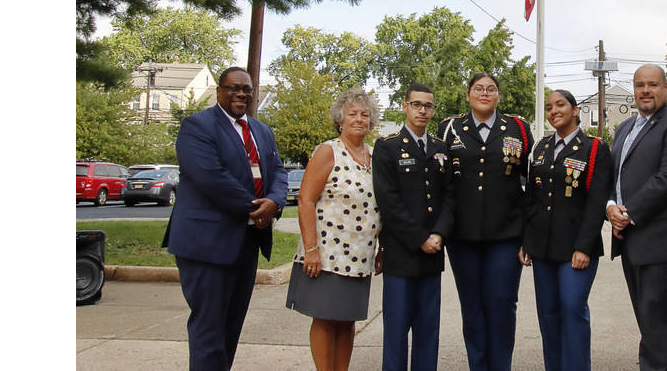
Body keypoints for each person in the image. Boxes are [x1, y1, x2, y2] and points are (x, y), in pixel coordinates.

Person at [163, 66, 288, 371]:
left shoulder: (261, 131)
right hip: (207, 245)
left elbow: (280, 172)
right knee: (209, 329)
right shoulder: (198, 126)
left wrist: (274, 201)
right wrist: (256, 207)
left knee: (230, 329)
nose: (241, 94)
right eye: (234, 88)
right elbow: (210, 178)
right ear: (219, 91)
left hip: (246, 242)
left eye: (246, 89)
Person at [606, 64, 667, 371]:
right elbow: (614, 177)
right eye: (640, 85)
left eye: (653, 84)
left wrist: (628, 215)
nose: (646, 90)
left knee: (661, 325)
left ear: (666, 88)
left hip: (663, 243)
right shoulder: (624, 128)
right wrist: (610, 208)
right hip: (631, 240)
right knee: (648, 321)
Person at [438, 73, 531, 371]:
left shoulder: (518, 128)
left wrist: (529, 233)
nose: (485, 93)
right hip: (462, 236)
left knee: (502, 305)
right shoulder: (449, 128)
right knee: (472, 307)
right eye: (478, 88)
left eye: (491, 89)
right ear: (468, 95)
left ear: (498, 96)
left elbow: (534, 180)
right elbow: (441, 183)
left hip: (506, 234)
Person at [285, 88, 382, 371]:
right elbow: (306, 200)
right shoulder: (328, 151)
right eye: (352, 114)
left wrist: (382, 248)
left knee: (346, 319)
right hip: (327, 255)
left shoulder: (375, 157)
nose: (359, 119)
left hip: (361, 255)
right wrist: (311, 249)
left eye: (365, 115)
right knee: (326, 318)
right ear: (340, 120)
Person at [519, 90, 613, 371]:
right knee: (548, 315)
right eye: (549, 107)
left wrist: (584, 246)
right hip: (542, 246)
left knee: (572, 308)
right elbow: (531, 199)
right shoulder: (541, 147)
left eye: (560, 105)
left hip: (576, 248)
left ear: (575, 110)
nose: (553, 111)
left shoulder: (594, 148)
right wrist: (526, 241)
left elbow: (597, 202)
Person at [373, 83, 456, 371]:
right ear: (405, 106)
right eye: (417, 104)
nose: (423, 110)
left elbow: (449, 197)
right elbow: (388, 201)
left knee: (428, 332)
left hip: (432, 254)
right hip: (402, 253)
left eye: (428, 106)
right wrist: (420, 237)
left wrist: (438, 234)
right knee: (396, 332)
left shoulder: (439, 147)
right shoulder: (388, 146)